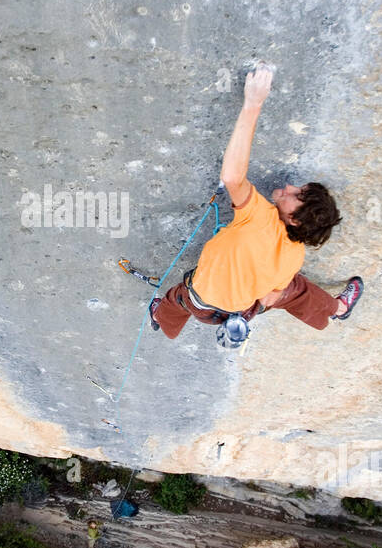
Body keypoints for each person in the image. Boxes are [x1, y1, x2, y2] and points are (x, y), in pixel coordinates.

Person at [149, 63, 363, 341]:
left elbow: (232, 177)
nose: (289, 187)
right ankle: (337, 309)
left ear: (295, 219)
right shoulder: (295, 254)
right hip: (244, 311)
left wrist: (253, 104)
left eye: (297, 195)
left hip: (200, 304)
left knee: (177, 299)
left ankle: (159, 317)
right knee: (294, 288)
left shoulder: (261, 216)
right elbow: (270, 297)